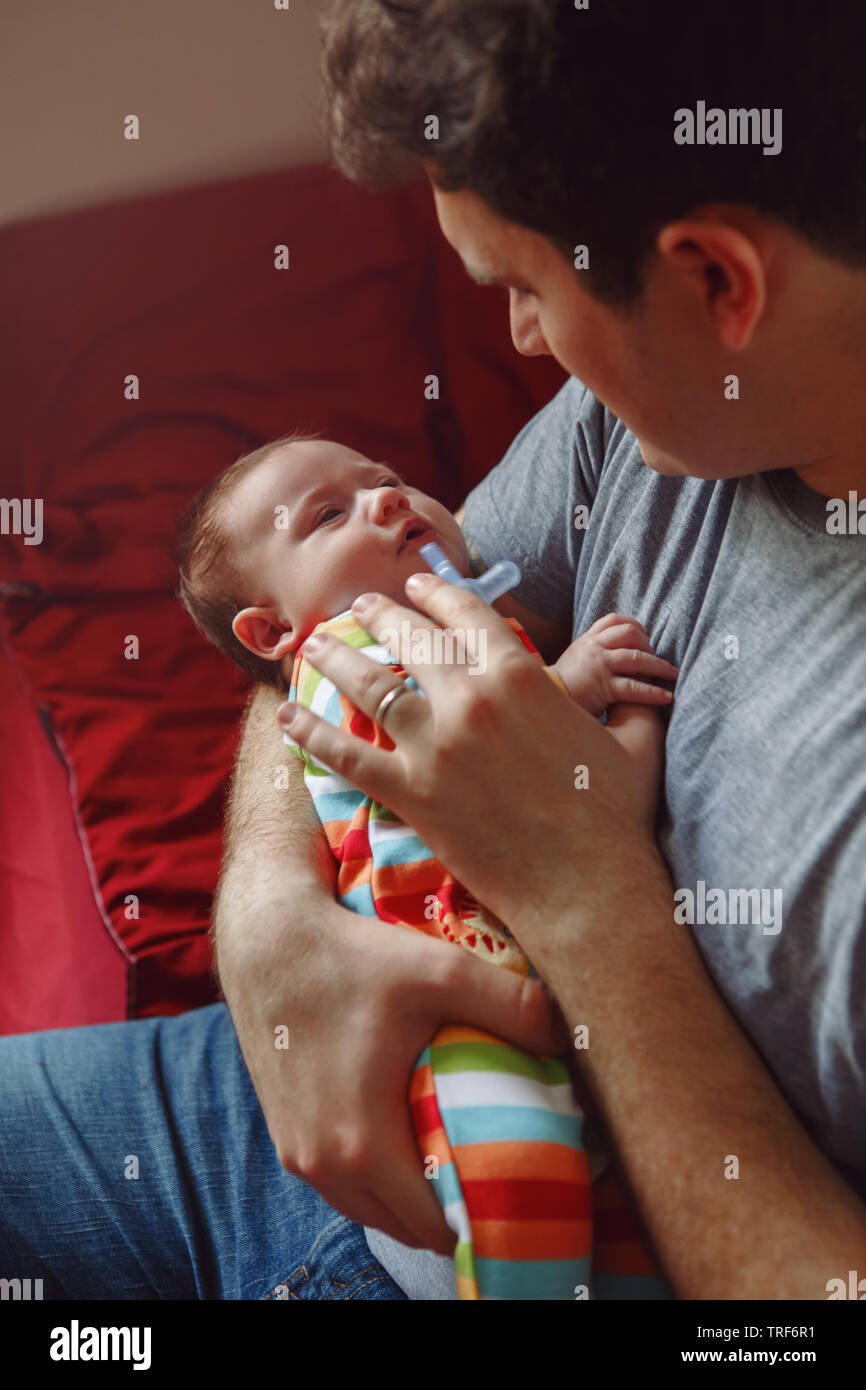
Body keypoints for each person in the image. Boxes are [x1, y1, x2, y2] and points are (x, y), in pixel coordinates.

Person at [2, 0, 865, 1301]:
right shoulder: (653, 419)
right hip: (236, 1101)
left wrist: (584, 893)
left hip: (530, 1222)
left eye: (523, 289)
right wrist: (274, 927)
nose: (524, 343)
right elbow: (336, 637)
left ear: (715, 282)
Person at [174, 430, 678, 1298]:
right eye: (331, 514)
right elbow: (464, 735)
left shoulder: (450, 623)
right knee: (515, 1181)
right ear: (275, 631)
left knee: (618, 1233)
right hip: (450, 982)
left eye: (389, 479)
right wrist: (574, 684)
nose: (387, 500)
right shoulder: (345, 655)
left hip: (550, 995)